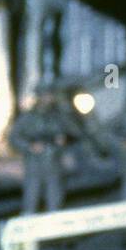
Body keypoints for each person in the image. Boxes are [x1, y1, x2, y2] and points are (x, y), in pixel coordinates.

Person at [10, 83, 78, 214]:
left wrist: (64, 139)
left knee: (55, 202)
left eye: (50, 95)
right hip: (34, 165)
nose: (49, 98)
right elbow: (14, 138)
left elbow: (74, 133)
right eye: (45, 95)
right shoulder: (27, 118)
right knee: (31, 200)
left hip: (54, 164)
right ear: (39, 97)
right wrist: (29, 146)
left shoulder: (58, 116)